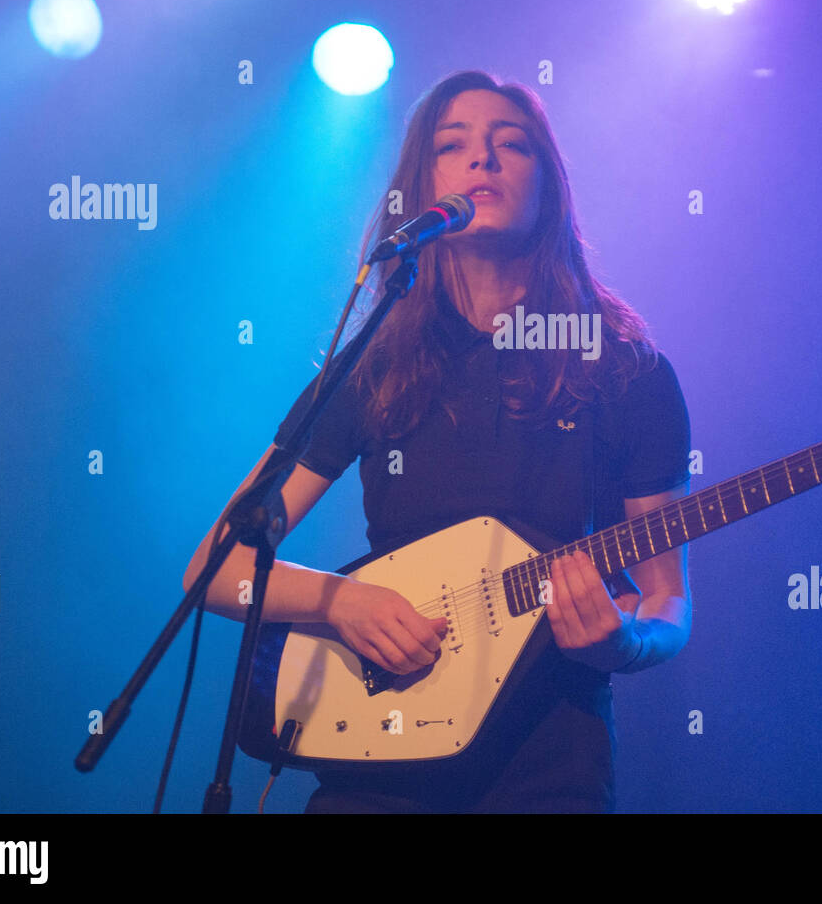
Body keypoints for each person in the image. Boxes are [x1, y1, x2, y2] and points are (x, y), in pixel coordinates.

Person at [182, 70, 692, 813]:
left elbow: (667, 599)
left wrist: (623, 643)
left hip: (547, 766)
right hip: (376, 764)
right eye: (454, 146)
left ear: (550, 186)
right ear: (421, 186)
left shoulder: (625, 369)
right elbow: (215, 566)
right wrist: (340, 601)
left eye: (511, 145)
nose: (483, 159)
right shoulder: (376, 364)